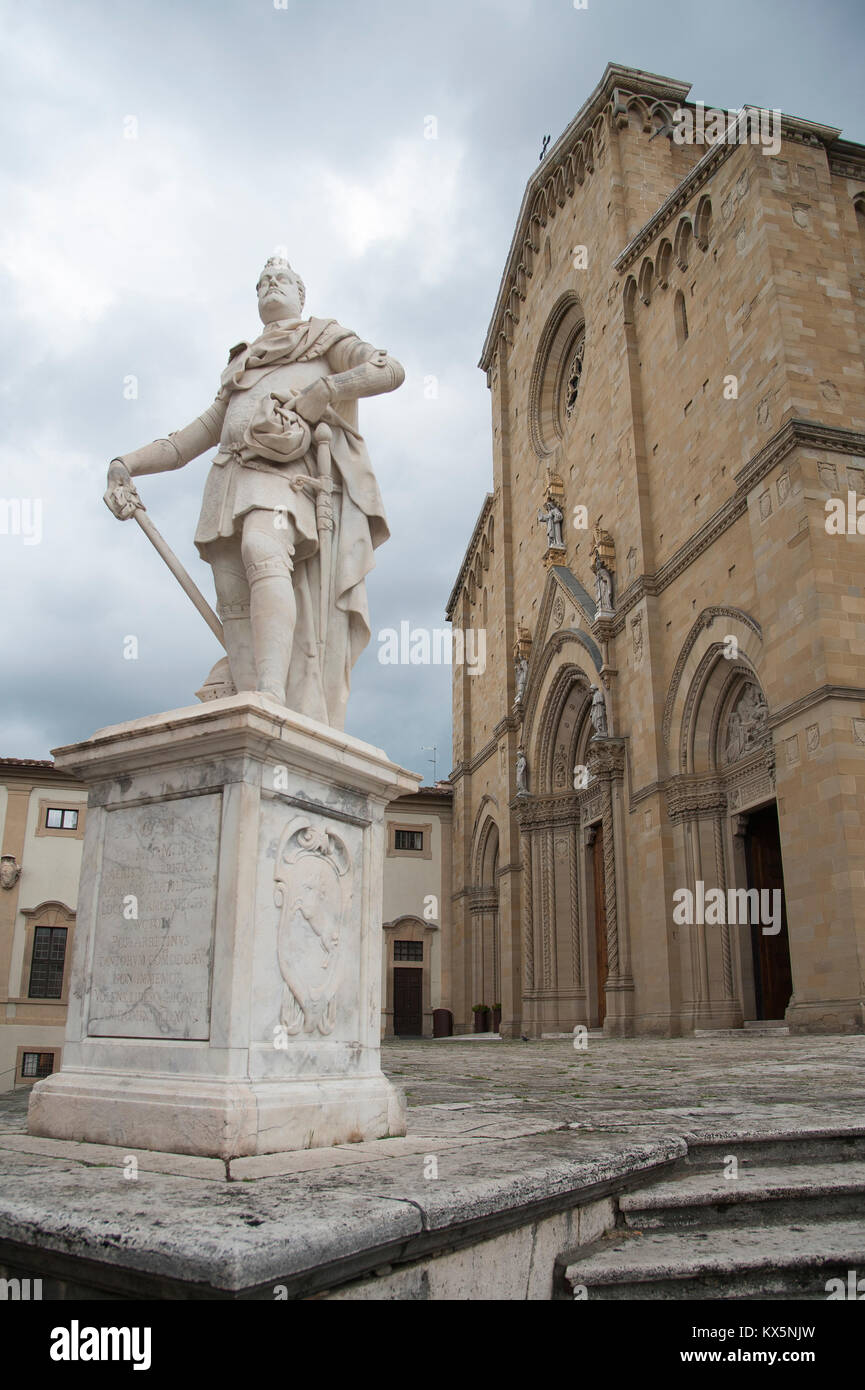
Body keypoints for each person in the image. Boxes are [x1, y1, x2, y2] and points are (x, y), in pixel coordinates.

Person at [104, 256, 404, 729]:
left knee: (262, 547)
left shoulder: (325, 337)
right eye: (262, 281)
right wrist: (126, 464)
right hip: (228, 483)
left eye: (280, 278)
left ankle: (271, 694)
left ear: (301, 294)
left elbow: (389, 370)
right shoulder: (241, 363)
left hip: (288, 477)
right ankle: (251, 700)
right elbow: (190, 439)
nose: (270, 284)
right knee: (232, 595)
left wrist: (324, 390)